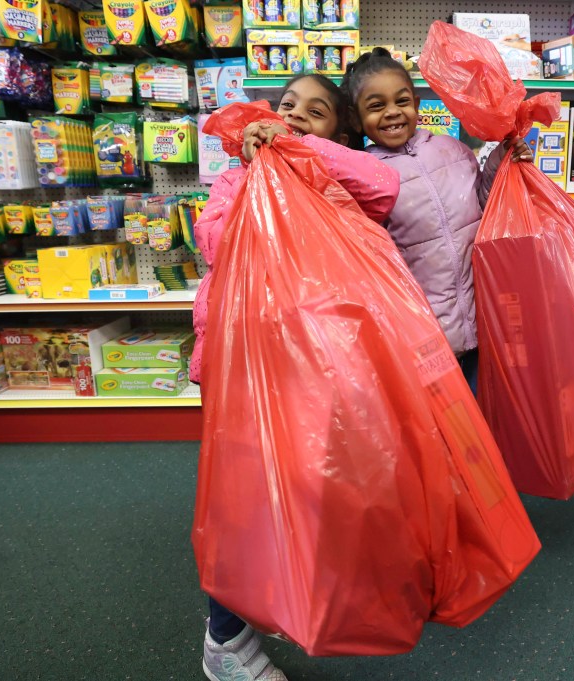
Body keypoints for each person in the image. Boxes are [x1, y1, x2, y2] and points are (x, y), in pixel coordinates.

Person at [190, 73, 400, 681]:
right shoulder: (235, 179)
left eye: (316, 112)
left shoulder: (336, 180)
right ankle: (225, 640)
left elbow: (384, 185)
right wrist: (260, 170)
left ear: (339, 134)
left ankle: (292, 595)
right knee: (240, 502)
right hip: (243, 370)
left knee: (312, 490)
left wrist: (298, 149)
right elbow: (217, 243)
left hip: (317, 370)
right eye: (287, 107)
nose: (297, 116)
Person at [340, 47, 532, 394]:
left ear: (416, 103)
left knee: (483, 411)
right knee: (444, 419)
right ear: (355, 120)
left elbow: (485, 205)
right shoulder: (362, 175)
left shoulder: (452, 149)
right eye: (376, 106)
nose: (392, 112)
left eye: (402, 101)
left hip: (482, 320)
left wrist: (502, 159)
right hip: (423, 336)